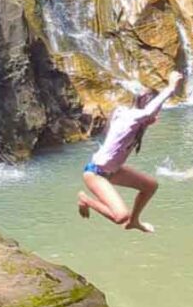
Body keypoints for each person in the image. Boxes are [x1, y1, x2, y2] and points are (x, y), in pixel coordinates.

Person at [77, 71, 183, 233]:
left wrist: (148, 122)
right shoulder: (129, 116)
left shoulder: (134, 121)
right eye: (156, 111)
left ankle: (134, 222)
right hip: (95, 173)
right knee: (120, 216)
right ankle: (85, 199)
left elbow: (146, 116)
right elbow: (148, 112)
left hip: (113, 171)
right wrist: (170, 88)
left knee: (150, 186)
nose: (156, 115)